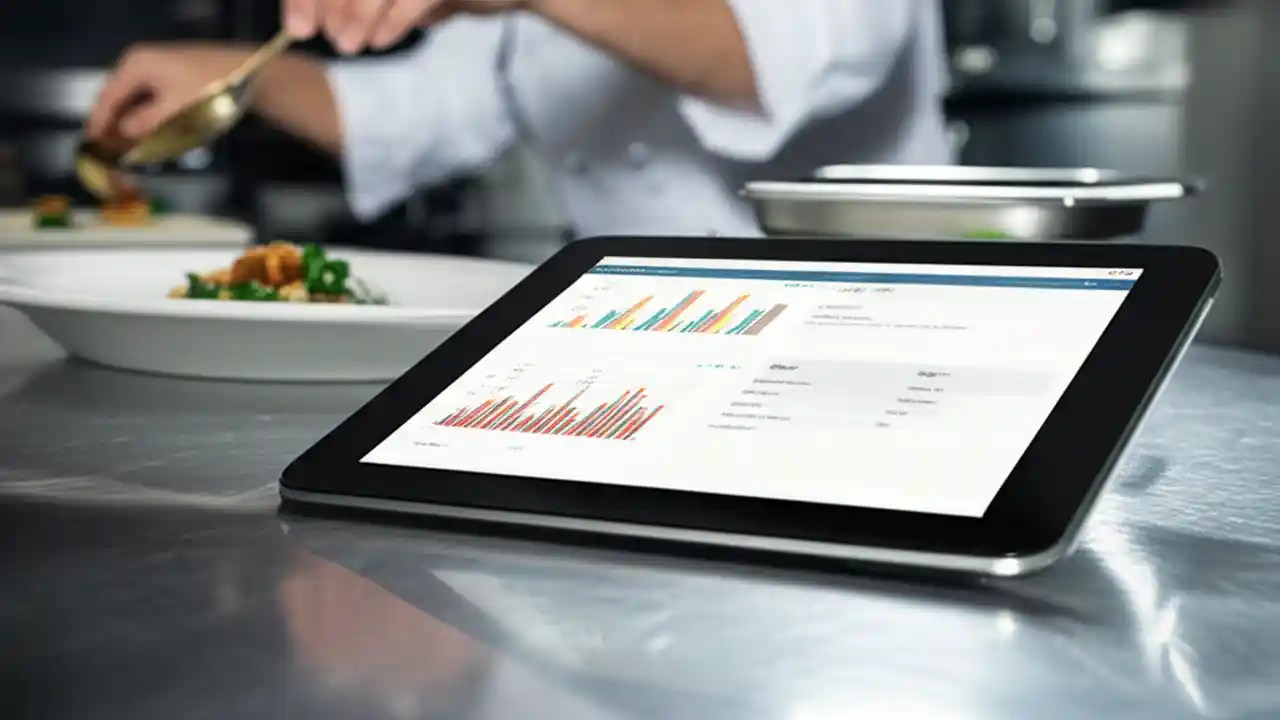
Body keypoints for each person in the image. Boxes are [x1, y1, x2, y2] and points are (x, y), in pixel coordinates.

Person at [87, 0, 950, 237]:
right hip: (631, 358)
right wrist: (238, 81)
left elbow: (807, 57)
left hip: (863, 349)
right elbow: (419, 114)